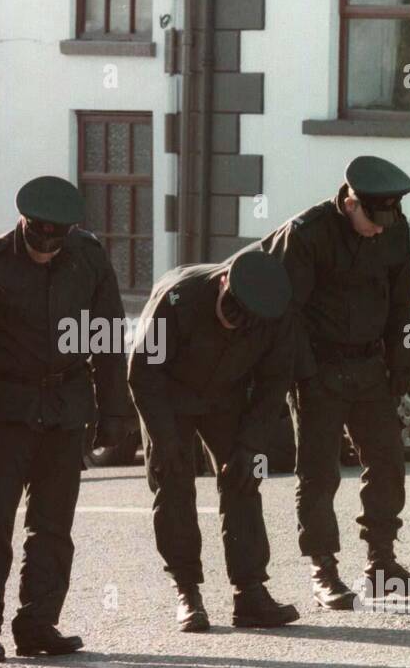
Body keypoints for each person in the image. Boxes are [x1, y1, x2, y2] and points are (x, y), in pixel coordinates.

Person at [0, 175, 133, 662]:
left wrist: (114, 413)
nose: (46, 249)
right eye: (38, 239)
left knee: (52, 527)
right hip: (7, 409)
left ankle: (38, 622)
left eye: (56, 240)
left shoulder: (88, 258)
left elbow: (108, 338)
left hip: (67, 410)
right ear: (23, 224)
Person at [261, 156, 410, 609]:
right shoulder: (307, 233)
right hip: (319, 370)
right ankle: (323, 569)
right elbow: (284, 312)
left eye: (386, 219)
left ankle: (382, 564)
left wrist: (401, 362)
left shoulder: (393, 227)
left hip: (371, 369)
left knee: (388, 462)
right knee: (319, 473)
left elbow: (402, 303)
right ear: (350, 201)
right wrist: (304, 374)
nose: (379, 229)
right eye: (371, 219)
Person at [128, 249, 301, 631]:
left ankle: (250, 594)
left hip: (227, 394)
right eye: (229, 311)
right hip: (169, 393)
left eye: (244, 322)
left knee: (244, 477)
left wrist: (251, 444)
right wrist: (165, 440)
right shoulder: (177, 298)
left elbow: (275, 382)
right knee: (173, 481)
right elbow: (143, 373)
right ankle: (188, 592)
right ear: (223, 281)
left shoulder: (276, 312)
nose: (233, 323)